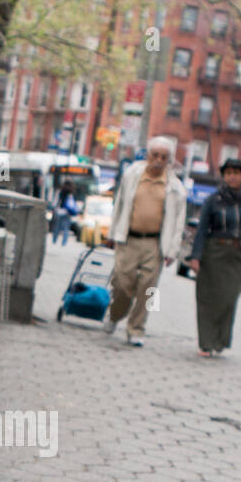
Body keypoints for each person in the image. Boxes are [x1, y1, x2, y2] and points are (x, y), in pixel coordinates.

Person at [103, 136, 187, 347]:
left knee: (148, 290)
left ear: (169, 160)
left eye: (164, 157)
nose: (158, 160)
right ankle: (114, 315)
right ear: (148, 155)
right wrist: (112, 234)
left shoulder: (176, 187)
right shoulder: (132, 175)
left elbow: (178, 223)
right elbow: (119, 205)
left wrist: (172, 251)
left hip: (155, 245)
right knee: (122, 284)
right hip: (128, 238)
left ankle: (137, 329)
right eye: (155, 155)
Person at [186, 158, 241, 358]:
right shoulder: (214, 200)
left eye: (236, 173)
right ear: (223, 176)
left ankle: (219, 341)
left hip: (240, 256)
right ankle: (206, 343)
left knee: (229, 299)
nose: (232, 177)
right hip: (215, 253)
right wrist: (196, 256)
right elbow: (202, 230)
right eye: (228, 173)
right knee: (208, 299)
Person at [50, 179, 77, 245]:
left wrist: (53, 209)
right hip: (67, 212)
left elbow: (55, 202)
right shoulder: (71, 193)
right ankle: (64, 243)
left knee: (57, 227)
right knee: (66, 228)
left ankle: (54, 240)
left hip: (59, 211)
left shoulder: (60, 192)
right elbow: (72, 204)